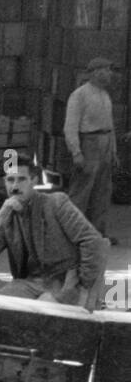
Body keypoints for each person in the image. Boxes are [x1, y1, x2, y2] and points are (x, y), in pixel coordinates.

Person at [0, 154, 110, 311]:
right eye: (10, 180)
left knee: (39, 312)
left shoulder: (56, 203)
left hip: (65, 282)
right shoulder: (8, 214)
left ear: (34, 181)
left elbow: (93, 242)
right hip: (31, 283)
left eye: (21, 179)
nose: (15, 186)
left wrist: (82, 286)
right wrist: (0, 216)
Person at [64, 57, 117, 244]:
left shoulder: (104, 95)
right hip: (89, 144)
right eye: (106, 70)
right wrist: (76, 152)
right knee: (81, 191)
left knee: (102, 192)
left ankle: (97, 234)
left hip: (105, 143)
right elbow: (70, 126)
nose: (110, 74)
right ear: (96, 72)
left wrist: (113, 150)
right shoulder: (80, 95)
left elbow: (110, 125)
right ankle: (71, 233)